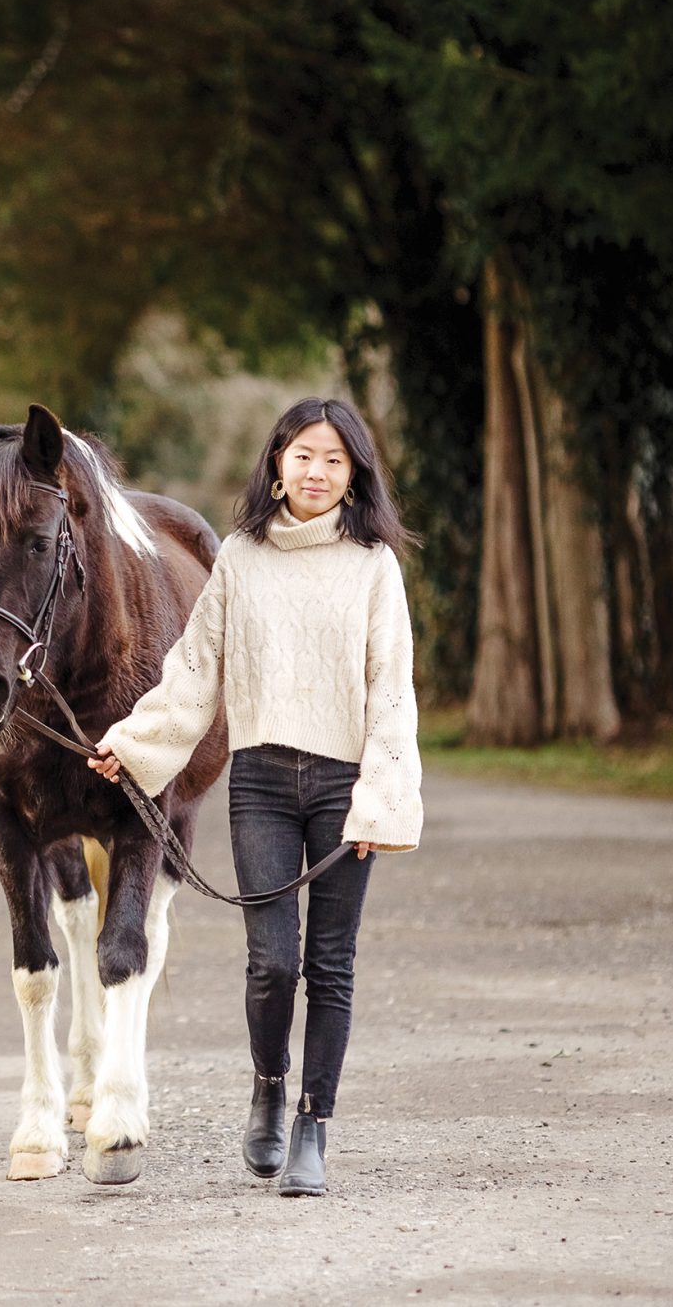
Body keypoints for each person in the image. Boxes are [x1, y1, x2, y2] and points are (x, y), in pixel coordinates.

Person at [87, 397, 423, 1196]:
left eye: (335, 460)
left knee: (330, 967)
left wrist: (380, 799)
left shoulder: (374, 566)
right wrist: (134, 746)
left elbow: (392, 694)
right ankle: (268, 1089)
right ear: (278, 461)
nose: (317, 471)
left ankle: (314, 1125)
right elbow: (194, 674)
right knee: (272, 964)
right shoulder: (239, 557)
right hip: (263, 783)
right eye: (304, 454)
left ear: (354, 476)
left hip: (346, 789)